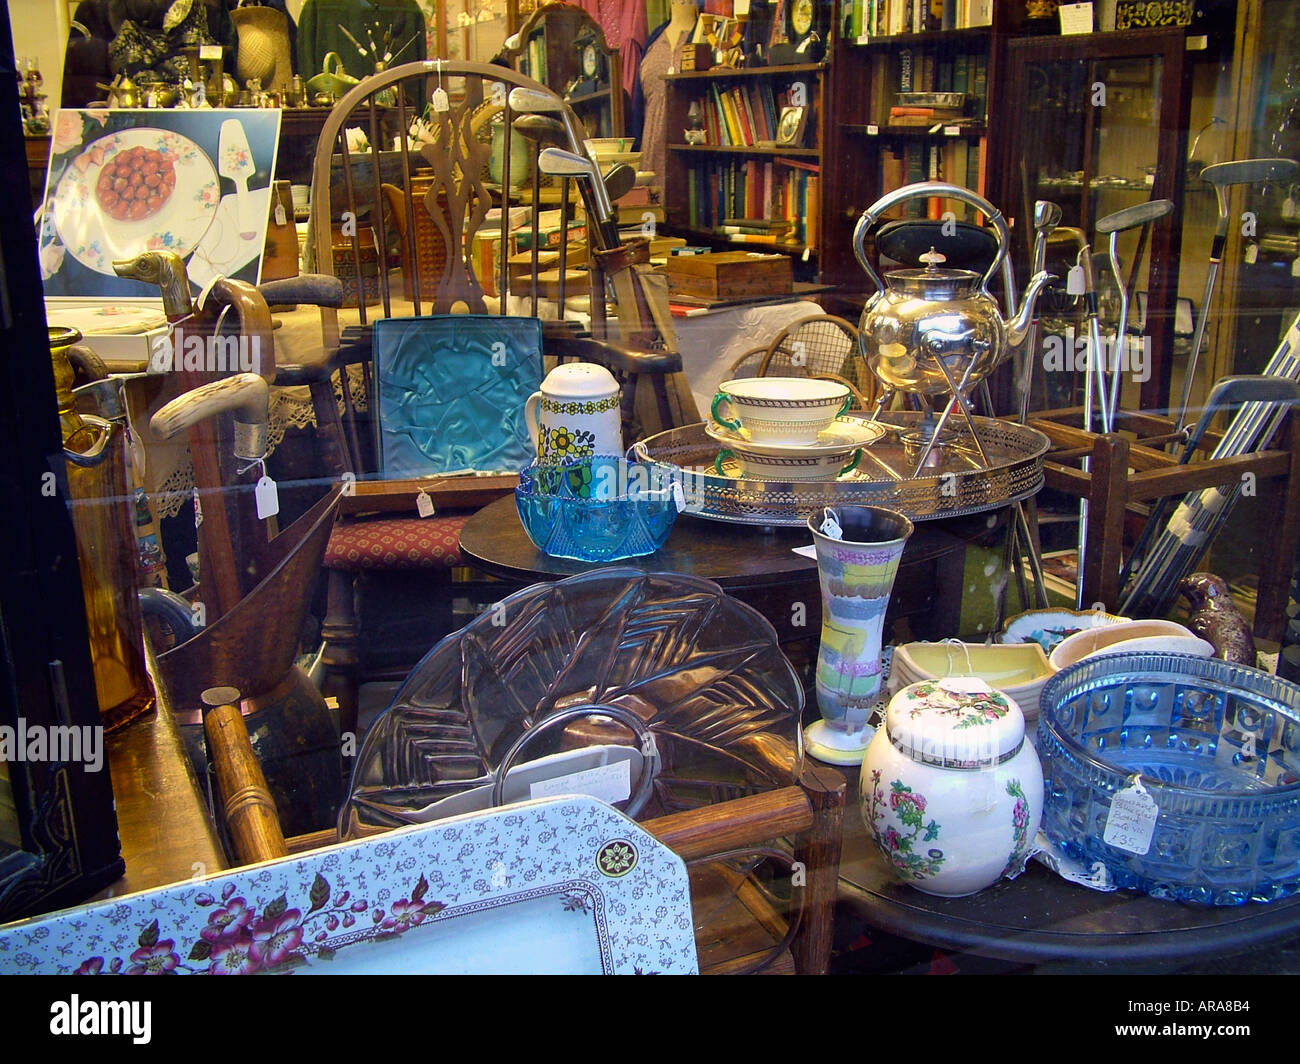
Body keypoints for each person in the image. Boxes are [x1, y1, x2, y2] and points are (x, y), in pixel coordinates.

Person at [638, 0, 699, 185]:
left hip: (687, 155)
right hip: (650, 151)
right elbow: (638, 108)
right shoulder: (653, 41)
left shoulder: (705, 35)